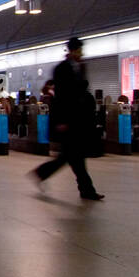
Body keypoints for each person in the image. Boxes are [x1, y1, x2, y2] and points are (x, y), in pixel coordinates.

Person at [31, 38, 104, 200]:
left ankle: (43, 173)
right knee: (73, 156)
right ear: (71, 51)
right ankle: (86, 190)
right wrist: (61, 121)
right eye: (79, 51)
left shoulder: (80, 68)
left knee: (71, 156)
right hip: (67, 120)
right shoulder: (61, 69)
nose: (81, 54)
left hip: (77, 120)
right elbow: (61, 98)